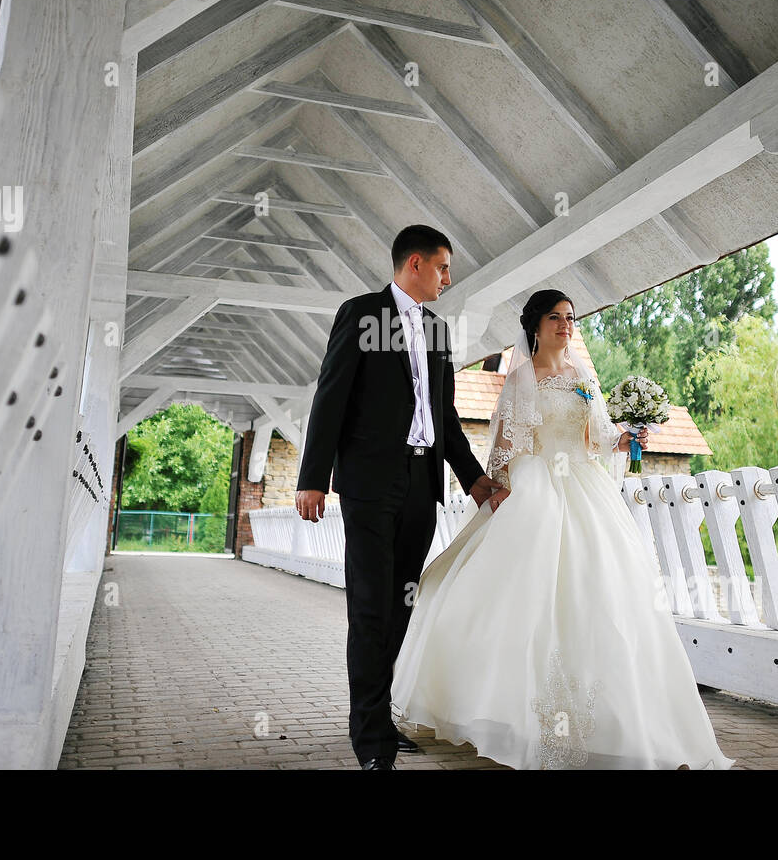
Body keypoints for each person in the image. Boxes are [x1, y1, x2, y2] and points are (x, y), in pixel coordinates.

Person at [389, 289, 736, 770]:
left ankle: (612, 724)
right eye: (556, 317)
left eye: (570, 318)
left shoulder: (582, 376)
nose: (566, 325)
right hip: (537, 486)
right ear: (536, 325)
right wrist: (502, 488)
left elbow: (597, 437)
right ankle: (509, 716)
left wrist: (627, 436)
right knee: (519, 596)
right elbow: (508, 445)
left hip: (585, 488)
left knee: (603, 594)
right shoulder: (522, 379)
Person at [295, 225, 503, 770]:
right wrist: (312, 476)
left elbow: (446, 417)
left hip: (420, 487)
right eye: (442, 268)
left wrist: (474, 478)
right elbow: (330, 395)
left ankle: (379, 716)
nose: (447, 279)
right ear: (415, 263)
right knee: (369, 608)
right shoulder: (361, 314)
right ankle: (371, 740)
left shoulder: (438, 331)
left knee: (400, 607)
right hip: (368, 485)